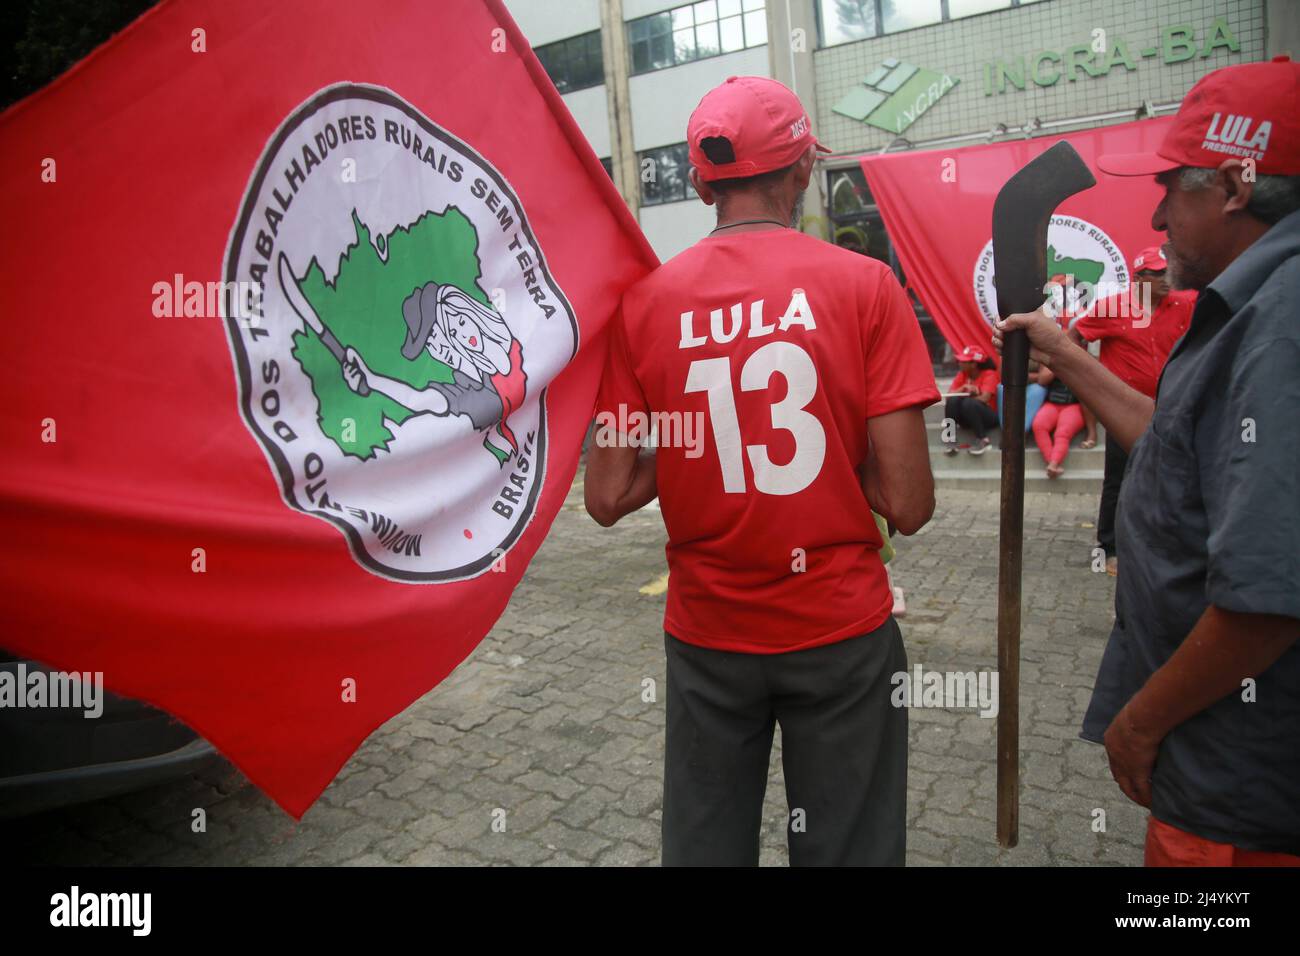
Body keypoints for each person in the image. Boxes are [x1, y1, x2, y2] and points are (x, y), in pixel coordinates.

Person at [584, 76, 938, 866]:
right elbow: (910, 502)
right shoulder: (865, 286)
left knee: (704, 848)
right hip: (840, 633)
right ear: (804, 168)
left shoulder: (643, 304)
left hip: (709, 637)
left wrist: (691, 446)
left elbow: (605, 496)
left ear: (704, 180)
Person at [993, 57, 1300, 865]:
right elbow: (1174, 448)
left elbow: (1268, 596)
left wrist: (1140, 723)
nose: (1159, 215)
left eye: (1175, 189)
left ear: (1236, 188)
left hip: (1241, 776)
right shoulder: (1256, 303)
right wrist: (1066, 352)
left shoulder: (1281, 325)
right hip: (1227, 760)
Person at [1069, 247, 1197, 574]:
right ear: (1139, 278)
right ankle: (1109, 547)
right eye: (1157, 273)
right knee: (1119, 478)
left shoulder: (1186, 303)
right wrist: (1086, 379)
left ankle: (1166, 542)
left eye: (1168, 271)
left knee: (1173, 477)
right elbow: (1074, 336)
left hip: (1172, 409)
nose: (1167, 278)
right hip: (1124, 411)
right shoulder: (1114, 307)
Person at [943, 346, 999, 455]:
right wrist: (962, 388)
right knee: (952, 401)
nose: (959, 362)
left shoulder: (989, 374)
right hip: (967, 417)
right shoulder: (962, 375)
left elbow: (985, 398)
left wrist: (975, 393)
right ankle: (950, 439)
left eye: (963, 361)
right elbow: (948, 396)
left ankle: (983, 440)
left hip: (988, 418)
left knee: (969, 403)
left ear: (974, 364)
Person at [1030, 363, 1083, 478]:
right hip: (1052, 403)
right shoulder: (1051, 358)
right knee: (1038, 425)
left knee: (1063, 432)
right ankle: (1052, 464)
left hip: (1073, 405)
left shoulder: (1082, 358)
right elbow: (1042, 380)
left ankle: (1053, 463)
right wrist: (1056, 366)